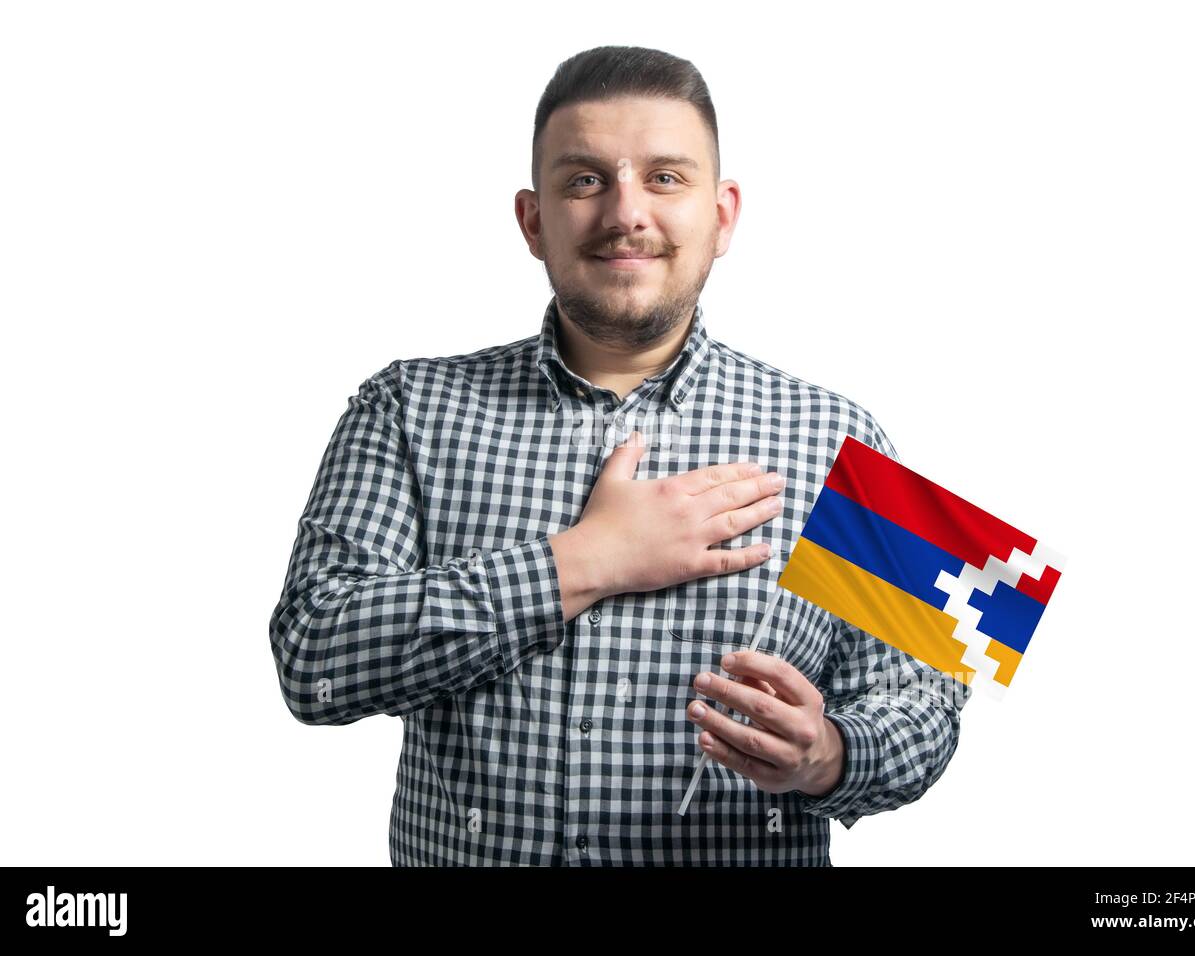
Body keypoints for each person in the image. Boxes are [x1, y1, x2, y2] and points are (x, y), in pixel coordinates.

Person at [268, 45, 968, 866]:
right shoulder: (405, 406)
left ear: (724, 213)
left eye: (666, 178)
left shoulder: (844, 433)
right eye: (585, 180)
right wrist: (584, 562)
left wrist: (830, 757)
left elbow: (934, 700)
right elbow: (311, 655)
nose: (626, 212)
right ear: (533, 220)